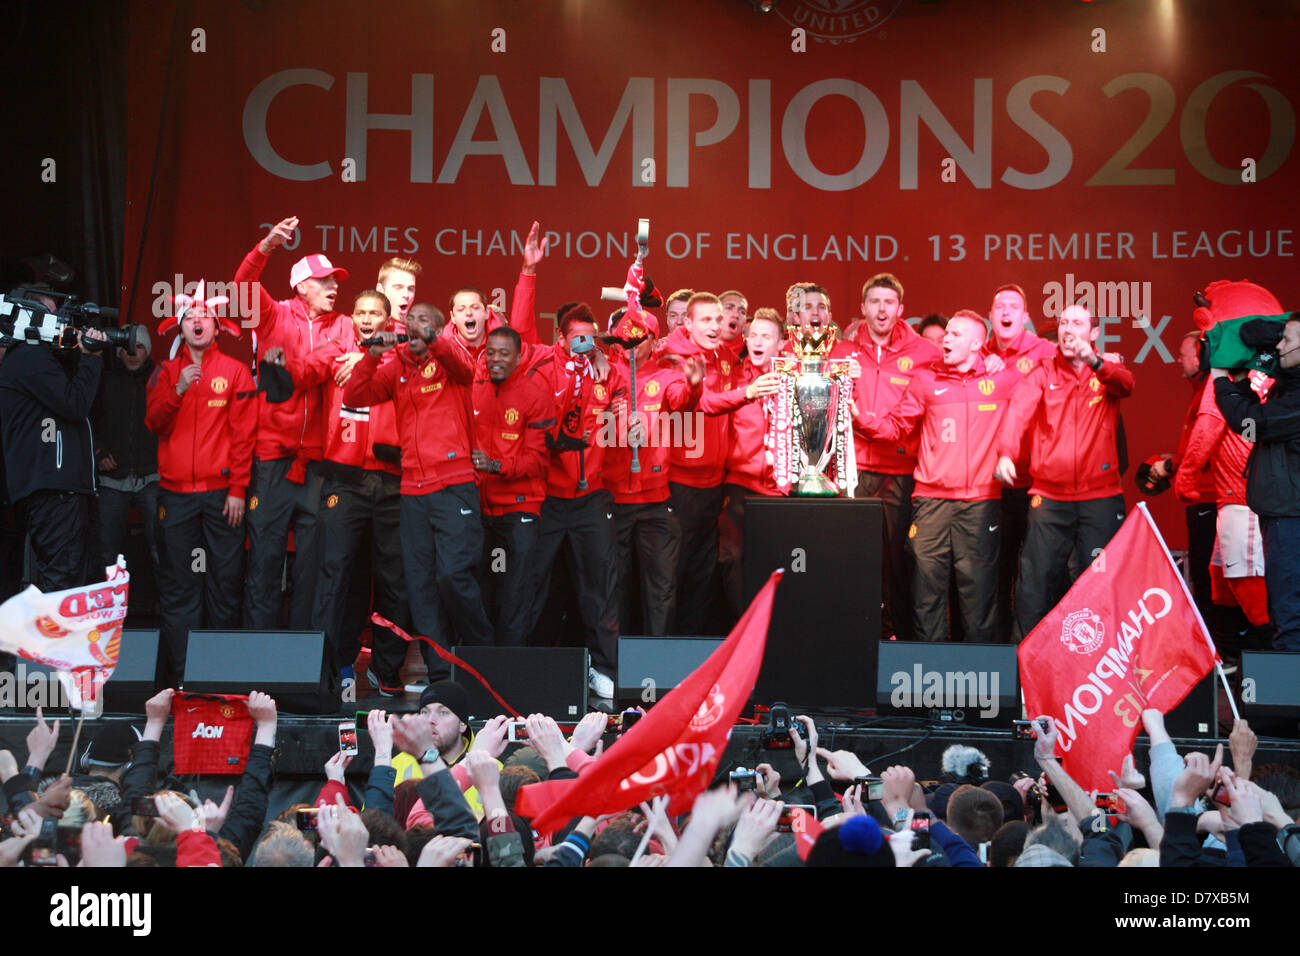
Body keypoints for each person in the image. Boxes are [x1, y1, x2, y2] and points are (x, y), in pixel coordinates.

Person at [342, 305, 494, 682]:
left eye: (423, 323)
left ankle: (484, 656)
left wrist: (433, 338)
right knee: (421, 586)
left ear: (440, 328)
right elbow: (356, 395)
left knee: (453, 577)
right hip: (412, 488)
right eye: (409, 324)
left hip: (454, 484)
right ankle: (441, 674)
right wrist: (371, 355)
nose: (413, 329)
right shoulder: (396, 368)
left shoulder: (450, 360)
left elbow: (465, 367)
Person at [859, 312, 1024, 642]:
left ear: (977, 343)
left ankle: (981, 677)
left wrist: (1101, 358)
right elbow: (896, 426)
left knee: (978, 593)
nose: (946, 338)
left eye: (956, 334)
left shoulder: (1004, 380)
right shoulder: (925, 380)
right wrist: (858, 418)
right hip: (930, 500)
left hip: (980, 502)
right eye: (946, 332)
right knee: (926, 591)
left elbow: (1046, 375)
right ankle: (926, 674)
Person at [233, 217, 354, 630]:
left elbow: (346, 364)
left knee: (312, 568)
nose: (333, 287)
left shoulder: (345, 326)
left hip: (319, 464)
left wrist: (297, 370)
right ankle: (258, 659)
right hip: (273, 461)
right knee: (265, 561)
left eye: (335, 280)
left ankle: (304, 659)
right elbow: (244, 285)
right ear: (301, 285)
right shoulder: (272, 316)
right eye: (324, 281)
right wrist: (265, 246)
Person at [995, 305, 1135, 639]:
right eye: (1064, 322)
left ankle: (1100, 667)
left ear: (1094, 332)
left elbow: (1127, 386)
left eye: (1077, 323)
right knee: (1034, 584)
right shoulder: (1044, 372)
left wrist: (1095, 361)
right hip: (1049, 497)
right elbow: (1018, 413)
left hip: (1099, 498)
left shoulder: (1108, 369)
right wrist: (1005, 454)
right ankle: (1023, 673)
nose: (1068, 328)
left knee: (1099, 583)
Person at [146, 293, 256, 685]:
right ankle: (183, 676)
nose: (198, 321)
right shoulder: (164, 371)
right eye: (191, 316)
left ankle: (220, 673)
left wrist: (238, 488)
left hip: (220, 494)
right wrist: (177, 389)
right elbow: (154, 423)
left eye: (205, 316)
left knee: (225, 584)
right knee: (180, 586)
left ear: (217, 327)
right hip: (176, 496)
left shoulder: (236, 371)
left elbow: (245, 436)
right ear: (181, 326)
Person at [519, 304, 628, 697]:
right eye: (577, 338)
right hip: (546, 496)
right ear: (561, 339)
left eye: (591, 338)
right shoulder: (543, 370)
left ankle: (604, 668)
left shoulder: (607, 371)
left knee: (600, 586)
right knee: (531, 585)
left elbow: (623, 393)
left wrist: (620, 403)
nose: (584, 345)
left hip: (591, 498)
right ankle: (522, 664)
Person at [312, 289, 412, 698]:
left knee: (394, 579)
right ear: (351, 318)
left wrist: (374, 356)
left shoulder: (402, 358)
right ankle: (333, 667)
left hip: (393, 480)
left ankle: (386, 670)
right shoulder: (337, 355)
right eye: (361, 312)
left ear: (389, 321)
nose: (368, 318)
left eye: (376, 313)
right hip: (346, 480)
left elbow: (420, 345)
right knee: (338, 574)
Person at [850, 273, 941, 641]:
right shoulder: (842, 350)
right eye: (874, 302)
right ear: (863, 308)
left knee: (899, 563)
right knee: (856, 560)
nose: (882, 309)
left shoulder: (925, 354)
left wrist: (993, 365)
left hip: (901, 471)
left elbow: (965, 368)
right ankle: (856, 636)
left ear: (900, 310)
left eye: (889, 302)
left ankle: (901, 641)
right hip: (855, 470)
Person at [603, 303, 703, 636]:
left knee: (660, 587)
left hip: (656, 500)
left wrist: (693, 386)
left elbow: (682, 402)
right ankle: (612, 664)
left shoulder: (667, 375)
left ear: (653, 339)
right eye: (623, 341)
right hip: (612, 500)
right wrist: (606, 410)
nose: (629, 348)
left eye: (638, 340)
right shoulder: (604, 374)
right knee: (613, 587)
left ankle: (655, 662)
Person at [0, 303, 108, 592]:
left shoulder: (25, 361)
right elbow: (75, 404)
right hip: (55, 491)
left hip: (55, 489)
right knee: (66, 585)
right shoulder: (27, 358)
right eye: (49, 313)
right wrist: (91, 357)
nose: (59, 319)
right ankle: (56, 639)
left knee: (74, 583)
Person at [1212, 314, 1300, 652]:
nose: (1278, 347)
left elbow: (1249, 422)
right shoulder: (1289, 384)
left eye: (1287, 341)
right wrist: (1272, 338)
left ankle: (1288, 700)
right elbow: (1254, 331)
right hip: (1283, 514)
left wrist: (1221, 381)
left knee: (1290, 615)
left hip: (1290, 517)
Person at [657, 293, 738, 636]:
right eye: (705, 320)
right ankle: (663, 655)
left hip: (714, 484)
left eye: (718, 320)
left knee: (703, 574)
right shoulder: (671, 358)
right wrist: (694, 387)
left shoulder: (726, 355)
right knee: (673, 572)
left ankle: (694, 652)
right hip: (679, 484)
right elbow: (687, 403)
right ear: (687, 324)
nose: (715, 326)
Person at [983, 284, 1057, 642]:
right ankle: (999, 654)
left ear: (1025, 317)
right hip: (991, 485)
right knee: (996, 571)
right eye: (999, 306)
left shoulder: (1046, 352)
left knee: (1036, 573)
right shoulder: (978, 355)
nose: (1006, 311)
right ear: (991, 316)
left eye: (1013, 306)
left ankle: (1035, 649)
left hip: (1036, 482)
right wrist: (983, 369)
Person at [472, 325, 554, 645]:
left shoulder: (535, 397)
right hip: (480, 510)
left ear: (519, 358)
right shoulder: (473, 389)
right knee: (483, 587)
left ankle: (511, 664)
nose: (496, 359)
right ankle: (482, 664)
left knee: (515, 591)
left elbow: (538, 460)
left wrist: (495, 466)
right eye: (490, 352)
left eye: (504, 354)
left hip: (519, 509)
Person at [702, 309, 785, 618]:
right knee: (732, 556)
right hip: (739, 485)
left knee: (783, 562)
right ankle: (742, 630)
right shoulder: (732, 375)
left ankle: (777, 630)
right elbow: (707, 402)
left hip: (782, 491)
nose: (757, 341)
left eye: (766, 336)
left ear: (781, 343)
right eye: (753, 336)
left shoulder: (795, 377)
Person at [92, 329, 161, 589]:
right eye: (127, 348)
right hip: (112, 479)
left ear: (148, 350)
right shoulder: (105, 381)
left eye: (139, 347)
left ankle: (168, 618)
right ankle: (108, 616)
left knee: (162, 549)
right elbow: (87, 422)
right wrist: (98, 452)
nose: (133, 353)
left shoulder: (161, 379)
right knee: (108, 553)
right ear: (119, 351)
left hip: (152, 476)